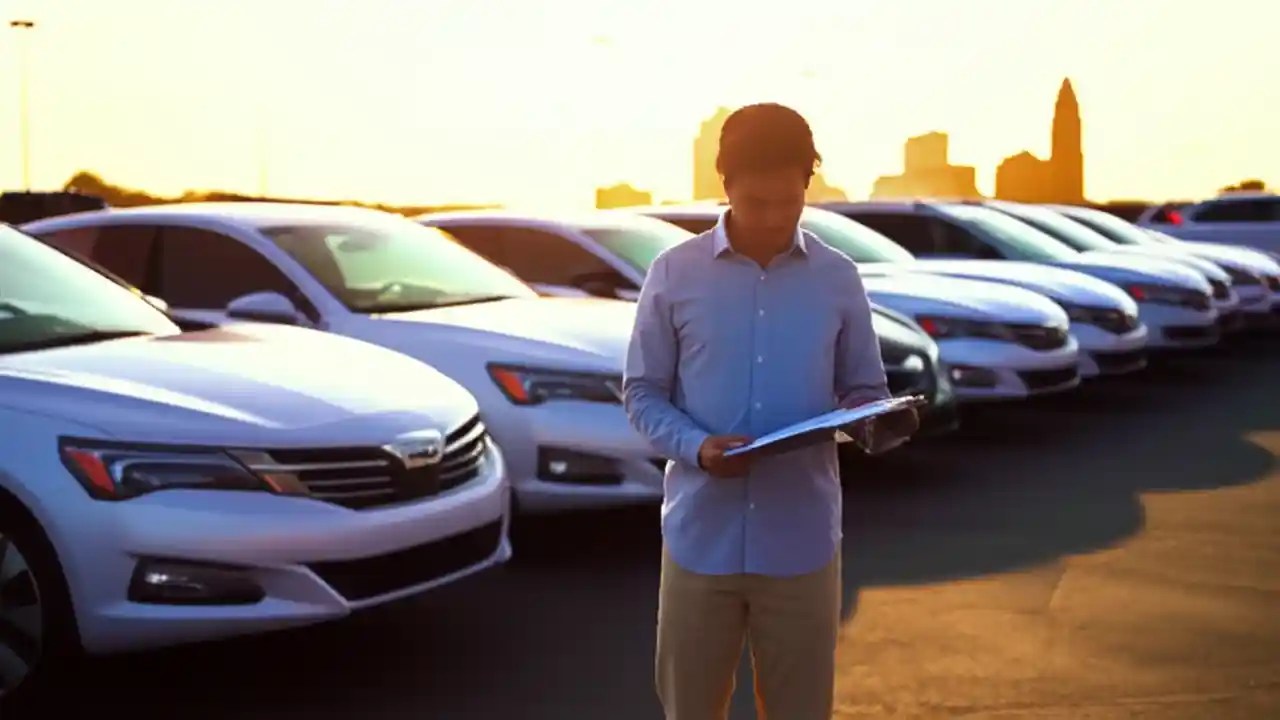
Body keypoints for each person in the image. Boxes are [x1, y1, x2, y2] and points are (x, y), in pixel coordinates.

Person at [623, 102, 919, 720]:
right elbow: (643, 393)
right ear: (724, 185)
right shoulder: (674, 274)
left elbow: (863, 386)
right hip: (699, 540)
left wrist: (876, 419)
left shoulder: (837, 278)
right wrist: (697, 447)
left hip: (802, 542)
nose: (775, 220)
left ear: (807, 185)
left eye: (790, 202)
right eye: (758, 204)